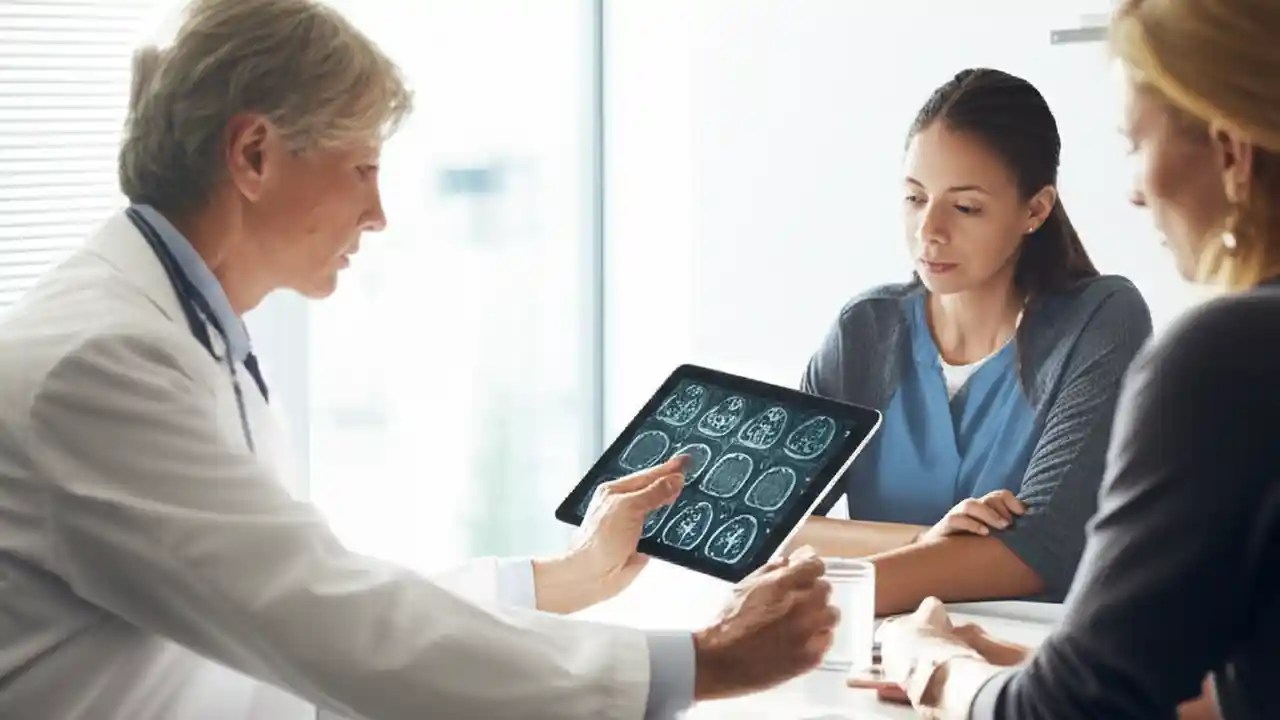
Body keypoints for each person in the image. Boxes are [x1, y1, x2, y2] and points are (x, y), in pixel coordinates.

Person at [0, 1, 839, 718]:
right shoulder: (101, 364)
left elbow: (309, 593)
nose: (379, 213)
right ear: (254, 155)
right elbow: (322, 620)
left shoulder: (184, 335)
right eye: (363, 168)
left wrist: (563, 579)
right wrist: (702, 661)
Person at [875, 1, 1280, 717]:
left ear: (1230, 152)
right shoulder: (866, 326)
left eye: (1136, 144)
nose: (1133, 188)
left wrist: (933, 665)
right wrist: (1038, 664)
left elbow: (1063, 712)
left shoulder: (1226, 357)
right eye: (914, 198)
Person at [791, 68, 1153, 614]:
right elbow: (768, 525)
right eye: (915, 198)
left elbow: (1042, 552)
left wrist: (829, 593)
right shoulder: (865, 330)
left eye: (965, 207)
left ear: (1035, 210)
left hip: (1026, 671)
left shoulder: (1100, 322)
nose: (929, 231)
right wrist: (923, 542)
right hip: (869, 661)